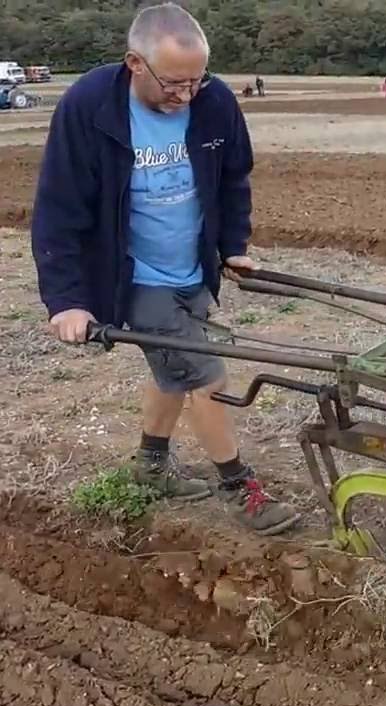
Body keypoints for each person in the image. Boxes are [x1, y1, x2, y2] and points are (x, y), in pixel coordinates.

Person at [29, 2, 301, 536]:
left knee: (172, 368)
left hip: (191, 266)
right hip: (134, 274)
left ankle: (151, 465)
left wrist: (232, 246)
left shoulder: (214, 101)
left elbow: (232, 177)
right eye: (174, 83)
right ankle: (238, 486)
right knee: (205, 373)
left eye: (196, 81)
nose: (187, 95)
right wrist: (66, 301)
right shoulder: (89, 106)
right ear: (135, 63)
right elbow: (59, 207)